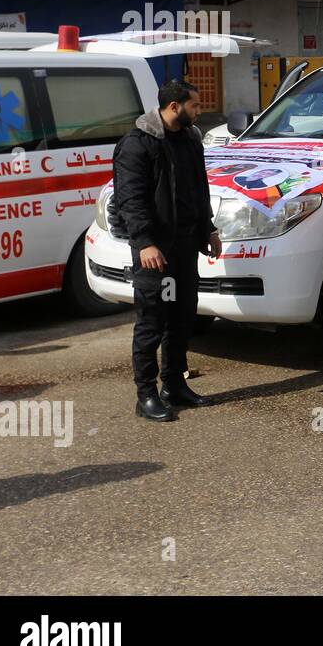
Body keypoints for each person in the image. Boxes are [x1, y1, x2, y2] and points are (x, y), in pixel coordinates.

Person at [113, 79, 221, 423]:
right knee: (151, 321)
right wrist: (145, 242)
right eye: (195, 106)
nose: (199, 111)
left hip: (185, 247)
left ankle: (174, 385)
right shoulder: (137, 143)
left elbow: (199, 190)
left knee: (181, 316)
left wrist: (209, 229)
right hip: (154, 252)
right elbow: (130, 200)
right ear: (174, 107)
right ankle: (145, 395)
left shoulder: (190, 139)